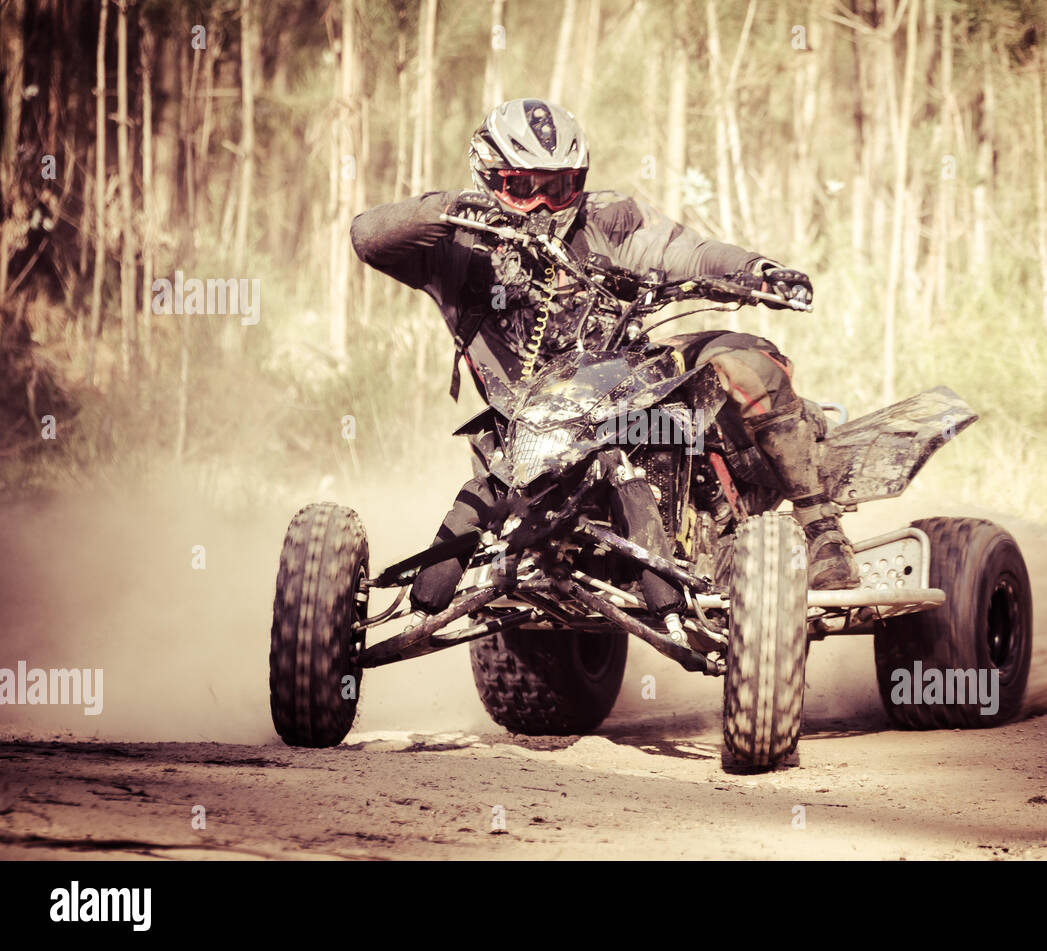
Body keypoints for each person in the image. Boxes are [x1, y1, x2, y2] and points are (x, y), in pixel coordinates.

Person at [351, 98, 859, 615]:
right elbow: (367, 236)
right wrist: (450, 209)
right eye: (521, 187)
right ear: (487, 178)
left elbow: (685, 251)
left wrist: (756, 270)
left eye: (559, 186)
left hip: (628, 396)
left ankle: (822, 530)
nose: (543, 204)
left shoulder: (607, 219)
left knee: (748, 358)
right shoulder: (454, 244)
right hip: (521, 434)